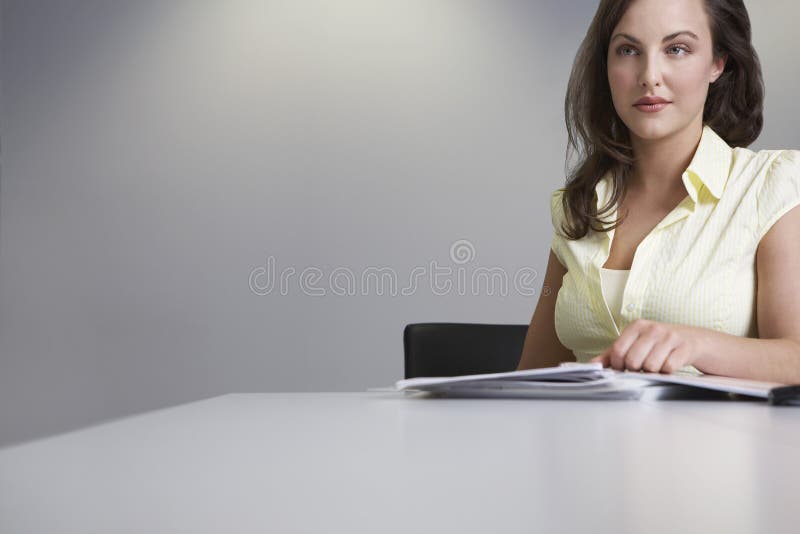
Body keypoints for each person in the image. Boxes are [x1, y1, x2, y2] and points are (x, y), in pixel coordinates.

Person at [516, 0, 800, 383]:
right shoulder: (579, 208)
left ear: (719, 63)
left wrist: (697, 344)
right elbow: (532, 376)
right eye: (628, 50)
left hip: (716, 442)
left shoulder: (770, 186)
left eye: (677, 49)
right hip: (581, 440)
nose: (649, 76)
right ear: (606, 65)